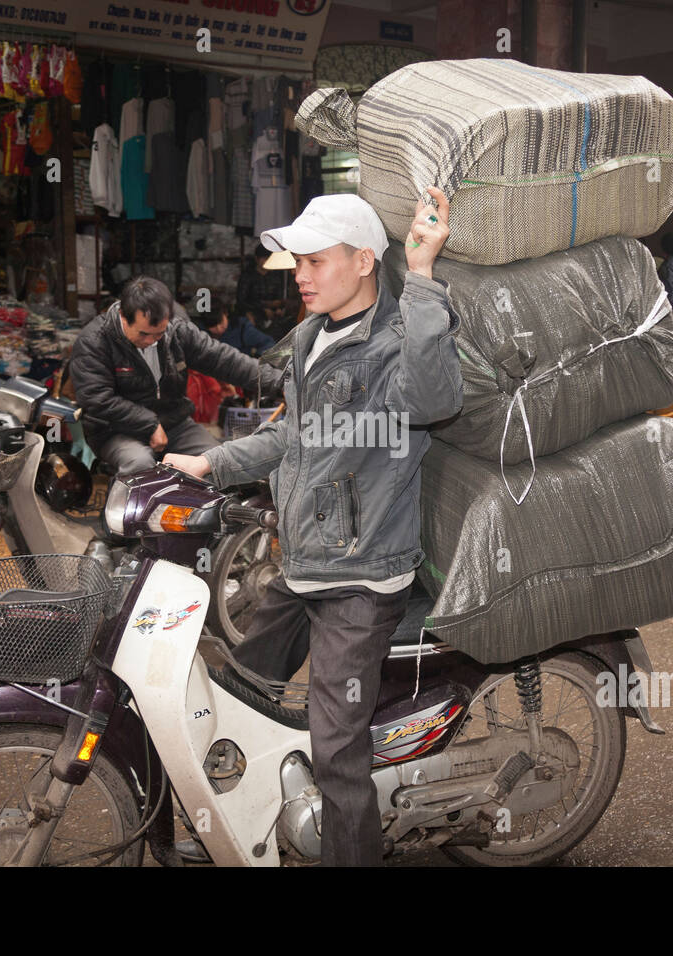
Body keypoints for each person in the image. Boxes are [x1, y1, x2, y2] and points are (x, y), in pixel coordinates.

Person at [163, 189, 463, 866]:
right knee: (234, 687)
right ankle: (247, 816)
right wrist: (210, 464)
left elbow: (435, 397)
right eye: (297, 259)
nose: (300, 273)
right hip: (303, 566)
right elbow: (292, 438)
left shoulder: (393, 343)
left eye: (315, 260)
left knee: (336, 746)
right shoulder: (309, 337)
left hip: (362, 579)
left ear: (363, 262)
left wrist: (421, 275)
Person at [70, 277, 283, 475]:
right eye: (143, 334)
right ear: (123, 316)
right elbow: (97, 399)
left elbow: (223, 360)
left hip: (174, 422)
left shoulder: (176, 330)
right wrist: (149, 425)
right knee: (140, 466)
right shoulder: (94, 341)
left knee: (217, 464)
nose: (152, 341)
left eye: (159, 333)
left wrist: (280, 382)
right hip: (115, 429)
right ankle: (118, 515)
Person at [200, 299, 276, 358]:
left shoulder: (242, 328)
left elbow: (269, 343)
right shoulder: (201, 335)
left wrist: (257, 358)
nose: (219, 328)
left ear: (225, 313)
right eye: (212, 326)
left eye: (221, 322)